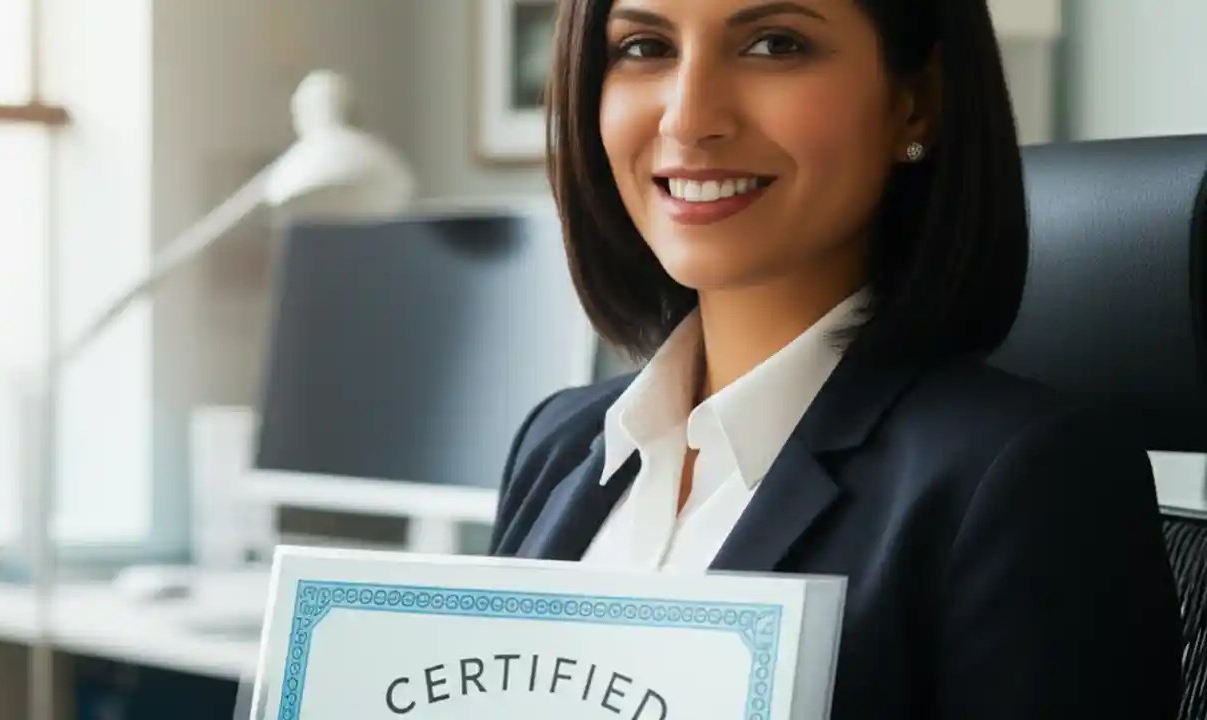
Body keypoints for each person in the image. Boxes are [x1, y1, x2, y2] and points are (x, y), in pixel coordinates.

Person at [488, 0, 1183, 717]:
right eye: (643, 47)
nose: (689, 118)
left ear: (915, 104)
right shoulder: (559, 444)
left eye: (774, 44)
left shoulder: (1028, 480)